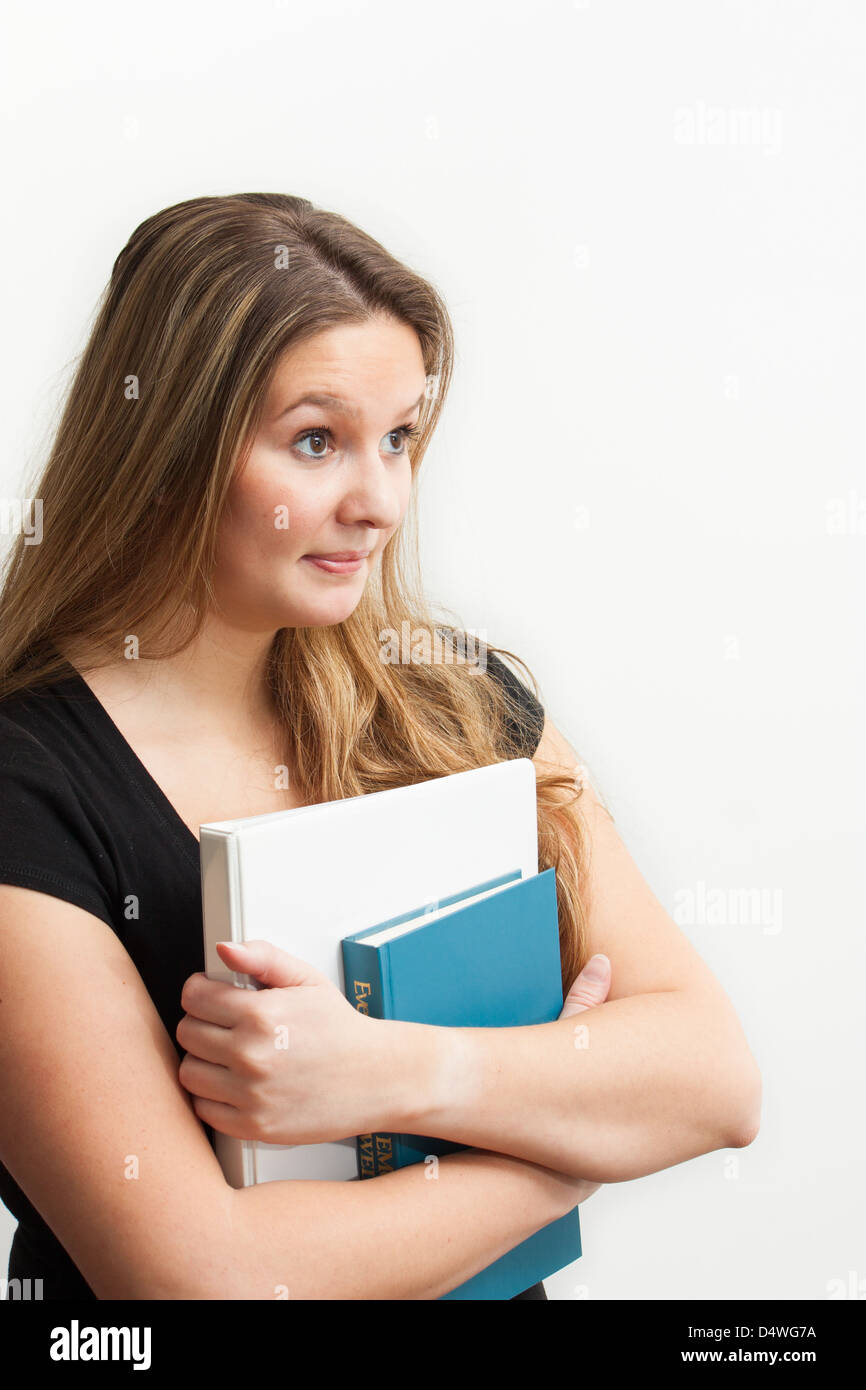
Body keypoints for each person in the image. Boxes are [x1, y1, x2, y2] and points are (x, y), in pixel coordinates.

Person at [0, 194, 760, 1301]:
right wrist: (560, 1150)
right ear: (166, 446)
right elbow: (199, 1279)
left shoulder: (454, 700)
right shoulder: (29, 785)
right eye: (317, 441)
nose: (379, 500)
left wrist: (382, 1072)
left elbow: (713, 1078)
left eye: (397, 436)